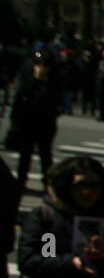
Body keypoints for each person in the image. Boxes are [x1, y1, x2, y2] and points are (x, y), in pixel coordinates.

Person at [8, 50, 61, 196]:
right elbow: (18, 101)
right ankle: (21, 182)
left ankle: (47, 183)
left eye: (44, 66)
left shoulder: (52, 84)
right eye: (38, 65)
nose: (40, 68)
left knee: (45, 156)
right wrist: (14, 123)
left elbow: (55, 104)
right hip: (27, 124)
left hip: (44, 125)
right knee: (25, 155)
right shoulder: (27, 80)